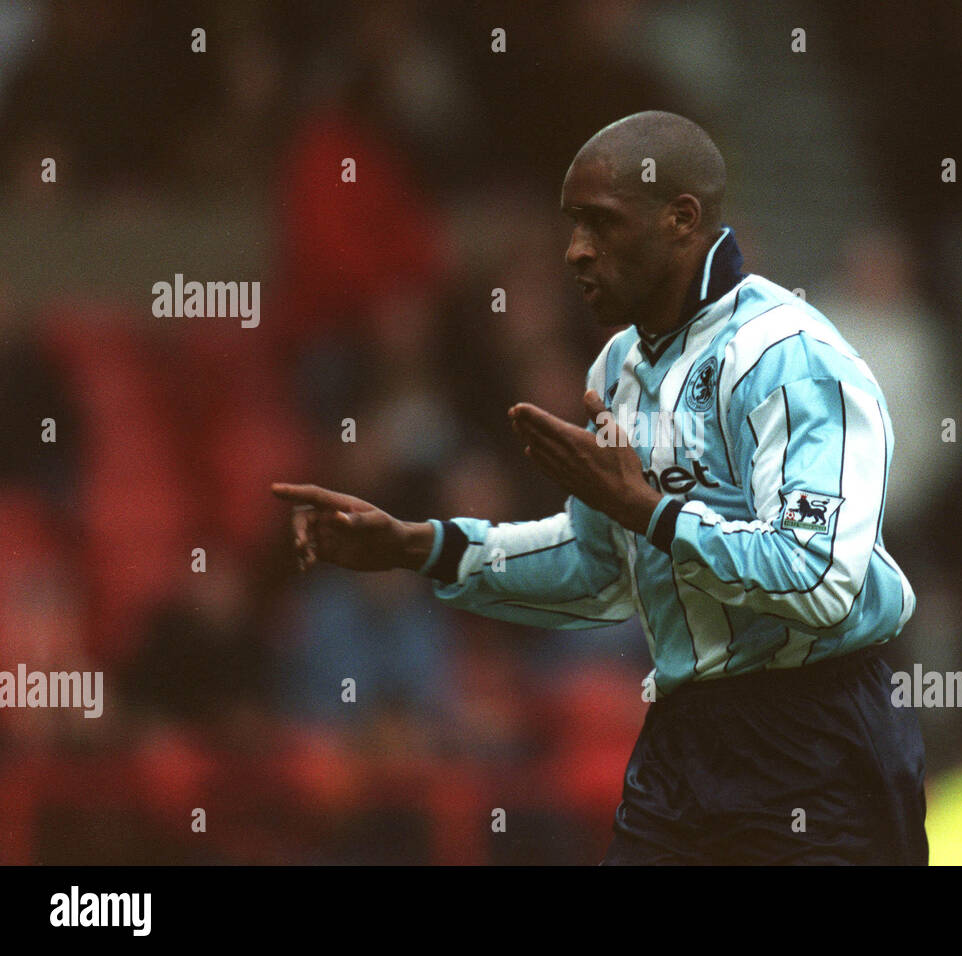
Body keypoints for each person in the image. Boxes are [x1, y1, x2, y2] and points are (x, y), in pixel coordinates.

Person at [272, 111, 927, 865]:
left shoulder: (795, 358)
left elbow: (820, 578)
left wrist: (651, 514)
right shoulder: (617, 368)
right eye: (572, 224)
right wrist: (420, 545)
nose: (576, 251)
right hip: (684, 740)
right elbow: (597, 571)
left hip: (816, 739)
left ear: (682, 220)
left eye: (601, 225)